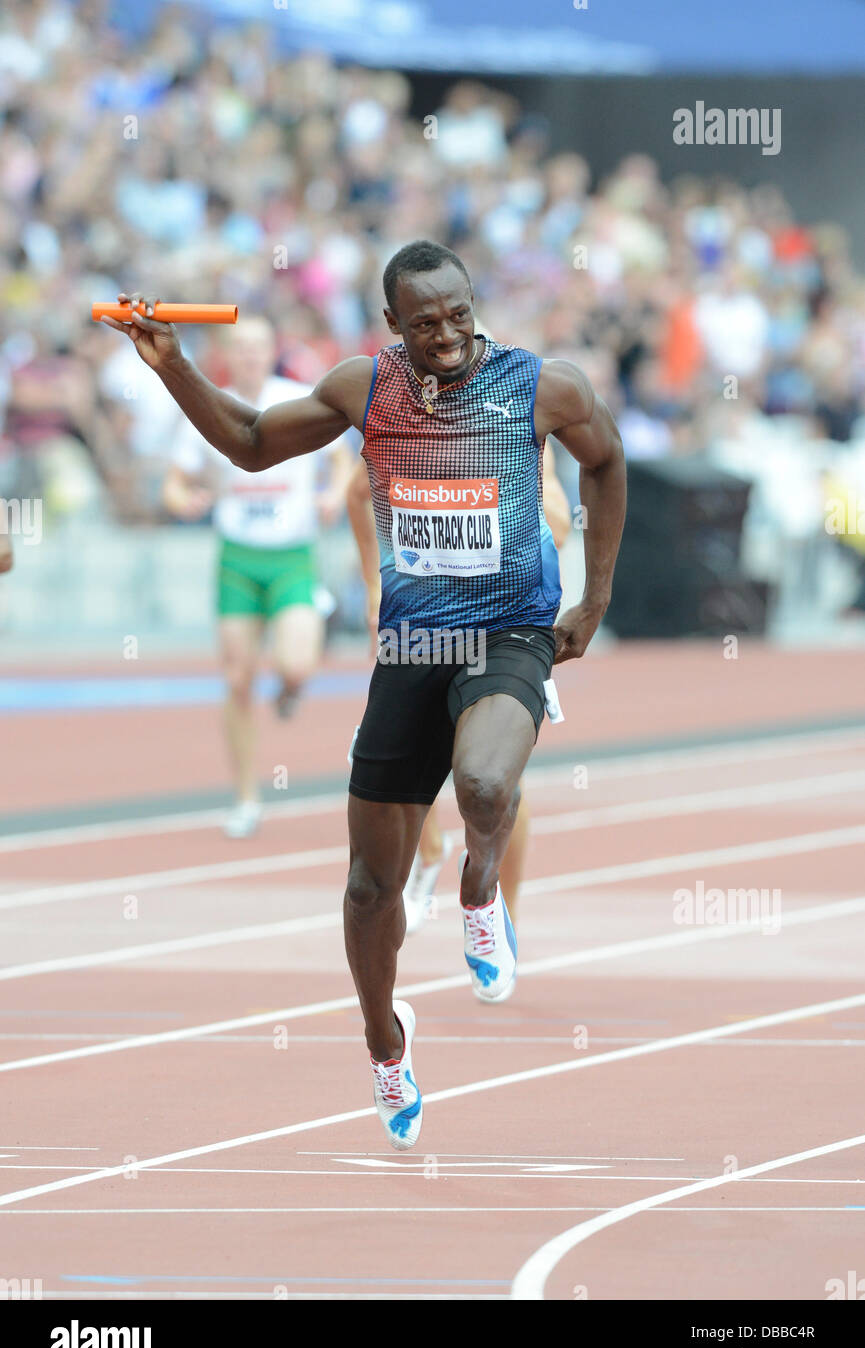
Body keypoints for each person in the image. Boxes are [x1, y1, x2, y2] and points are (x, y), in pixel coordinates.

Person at [100, 240, 626, 1150]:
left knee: (488, 786)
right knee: (367, 885)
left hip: (508, 631)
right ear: (394, 326)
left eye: (459, 314)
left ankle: (478, 889)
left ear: (474, 303)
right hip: (413, 643)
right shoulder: (364, 387)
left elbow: (607, 463)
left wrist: (595, 598)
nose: (448, 335)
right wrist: (174, 366)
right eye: (426, 323)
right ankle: (386, 1038)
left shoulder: (542, 386)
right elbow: (254, 443)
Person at [346, 437, 573, 932]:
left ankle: (498, 909)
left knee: (496, 783)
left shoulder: (519, 434)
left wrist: (505, 509)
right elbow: (357, 493)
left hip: (499, 634)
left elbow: (559, 524)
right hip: (422, 628)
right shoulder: (406, 435)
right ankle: (429, 849)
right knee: (385, 760)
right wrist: (371, 587)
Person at [161, 316, 352, 839]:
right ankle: (246, 796)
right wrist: (185, 501)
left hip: (292, 557)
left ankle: (292, 686)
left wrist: (334, 494)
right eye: (239, 348)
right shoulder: (208, 407)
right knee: (238, 680)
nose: (249, 356)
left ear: (272, 351)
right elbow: (173, 485)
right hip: (237, 561)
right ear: (227, 353)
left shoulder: (296, 400)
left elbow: (341, 463)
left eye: (258, 347)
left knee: (295, 666)